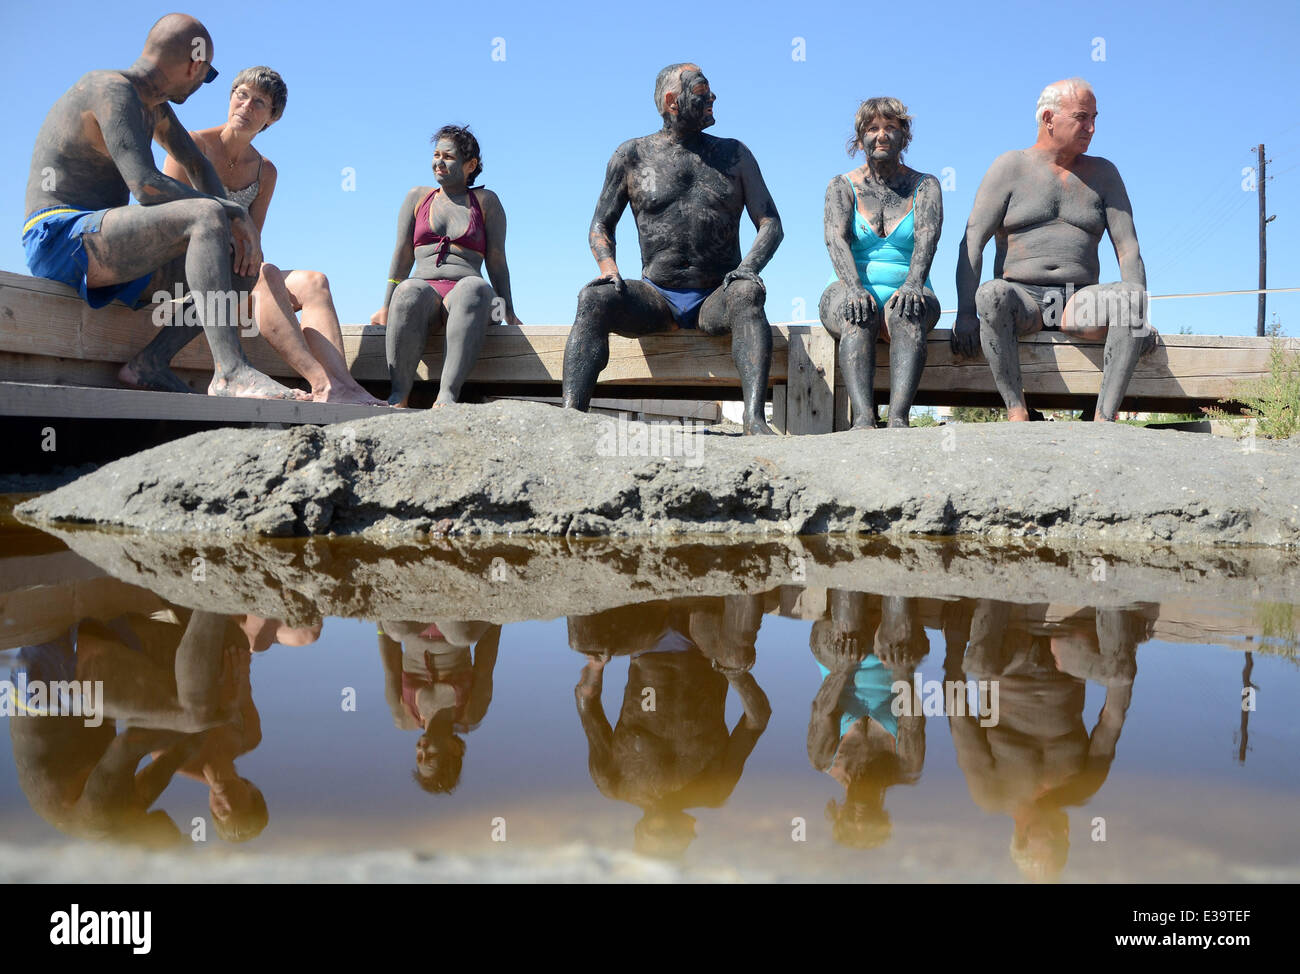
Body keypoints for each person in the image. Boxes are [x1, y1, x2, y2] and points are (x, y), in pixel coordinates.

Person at [21, 13, 299, 399]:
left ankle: (149, 363)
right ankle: (232, 371)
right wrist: (233, 213)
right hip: (60, 236)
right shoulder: (111, 90)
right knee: (207, 215)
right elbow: (145, 185)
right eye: (209, 76)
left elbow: (197, 163)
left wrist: (238, 234)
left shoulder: (154, 105)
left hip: (111, 247)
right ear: (194, 66)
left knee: (240, 266)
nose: (205, 84)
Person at [562, 63, 783, 435]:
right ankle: (571, 416)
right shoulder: (631, 155)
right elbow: (601, 224)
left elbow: (771, 224)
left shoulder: (734, 155)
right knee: (592, 299)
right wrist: (608, 267)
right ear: (672, 101)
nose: (712, 98)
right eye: (701, 92)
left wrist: (748, 267)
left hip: (718, 295)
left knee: (747, 292)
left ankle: (753, 419)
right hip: (656, 298)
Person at [163, 66, 385, 405]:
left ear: (272, 118)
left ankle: (344, 386)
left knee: (314, 281)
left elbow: (253, 240)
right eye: (241, 95)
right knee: (264, 274)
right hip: (187, 271)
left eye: (260, 103)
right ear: (230, 97)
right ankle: (321, 383)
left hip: (236, 274)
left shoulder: (266, 171)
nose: (246, 106)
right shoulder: (192, 145)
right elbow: (162, 220)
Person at [952, 78, 1158, 422]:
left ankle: (1104, 418)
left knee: (1132, 298)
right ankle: (1017, 412)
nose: (1091, 128)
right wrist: (964, 314)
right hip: (1022, 301)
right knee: (991, 294)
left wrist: (1140, 317)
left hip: (1078, 302)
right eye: (1082, 117)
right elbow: (973, 241)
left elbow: (1128, 249)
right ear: (1049, 118)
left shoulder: (1104, 174)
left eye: (1095, 118)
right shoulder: (1010, 167)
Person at [573, 596, 770, 858]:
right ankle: (747, 572)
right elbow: (757, 720)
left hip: (645, 639)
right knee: (736, 653)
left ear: (640, 830)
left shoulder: (613, 782)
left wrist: (595, 668)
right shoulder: (714, 788)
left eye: (657, 835)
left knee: (583, 640)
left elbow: (588, 706)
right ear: (690, 828)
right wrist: (735, 672)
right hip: (705, 644)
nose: (664, 829)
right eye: (671, 836)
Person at [371, 126, 521, 407]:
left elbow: (497, 259)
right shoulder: (417, 198)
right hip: (425, 292)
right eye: (436, 154)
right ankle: (399, 395)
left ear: (470, 165)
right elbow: (403, 254)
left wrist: (508, 310)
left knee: (473, 288)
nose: (438, 162)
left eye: (448, 157)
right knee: (408, 291)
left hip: (467, 295)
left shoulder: (486, 202)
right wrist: (386, 304)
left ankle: (447, 395)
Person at [820, 98, 942, 429]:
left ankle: (899, 419)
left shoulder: (926, 185)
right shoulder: (841, 186)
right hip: (849, 286)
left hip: (910, 286)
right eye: (872, 128)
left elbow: (927, 237)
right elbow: (835, 239)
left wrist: (914, 284)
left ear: (905, 136)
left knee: (907, 311)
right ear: (860, 139)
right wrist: (855, 289)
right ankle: (862, 418)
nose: (882, 135)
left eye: (891, 127)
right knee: (857, 312)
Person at [377, 619, 501, 794]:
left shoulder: (403, 715)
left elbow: (390, 665)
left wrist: (378, 621)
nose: (421, 749)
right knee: (460, 635)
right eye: (431, 756)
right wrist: (497, 617)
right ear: (454, 748)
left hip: (414, 622)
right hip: (452, 624)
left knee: (397, 632)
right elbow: (485, 662)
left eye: (419, 757)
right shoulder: (472, 712)